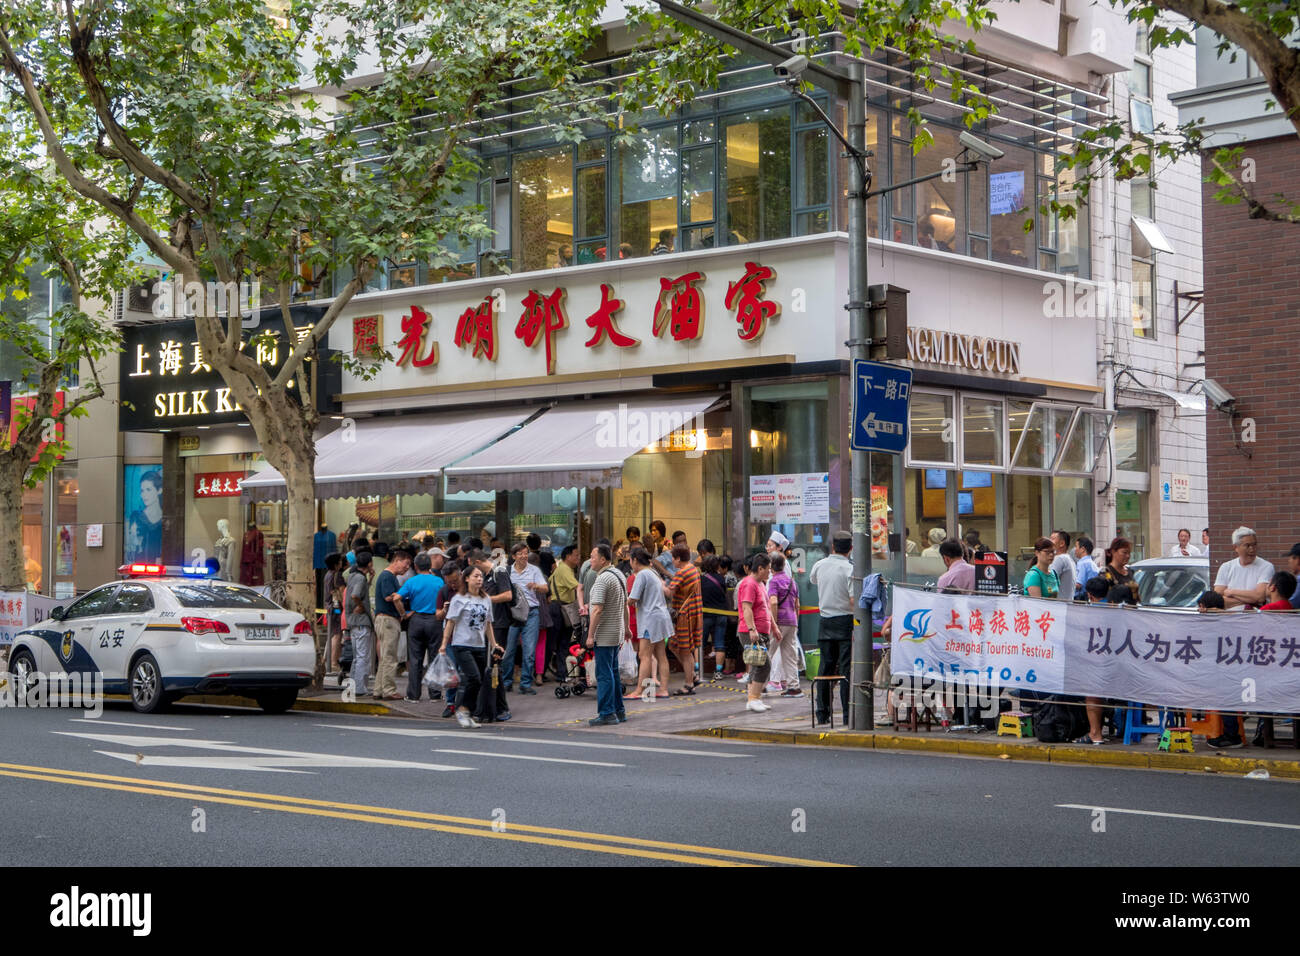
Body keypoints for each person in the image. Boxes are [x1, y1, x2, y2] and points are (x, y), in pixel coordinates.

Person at [439, 566, 498, 729]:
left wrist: (494, 644)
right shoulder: (459, 599)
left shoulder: (486, 599)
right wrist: (444, 644)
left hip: (479, 645)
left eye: (481, 576)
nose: (479, 579)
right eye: (475, 576)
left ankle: (467, 712)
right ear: (466, 579)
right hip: (461, 644)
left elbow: (488, 623)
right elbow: (450, 622)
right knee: (474, 678)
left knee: (478, 681)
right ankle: (462, 709)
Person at [808, 531, 854, 727]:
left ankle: (822, 713)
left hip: (825, 621)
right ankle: (846, 715)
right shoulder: (850, 569)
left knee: (825, 669)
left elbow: (813, 581)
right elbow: (853, 600)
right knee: (845, 671)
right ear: (851, 548)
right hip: (845, 622)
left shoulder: (819, 565)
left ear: (833, 546)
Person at [585, 544, 630, 726]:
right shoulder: (619, 575)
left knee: (604, 675)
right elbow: (626, 604)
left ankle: (607, 713)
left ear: (603, 560)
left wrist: (590, 635)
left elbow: (597, 610)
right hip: (616, 632)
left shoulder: (603, 579)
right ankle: (619, 711)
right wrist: (626, 628)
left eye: (593, 557)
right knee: (613, 673)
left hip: (604, 634)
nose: (590, 560)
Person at [395, 551, 444, 702]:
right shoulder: (439, 581)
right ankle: (435, 695)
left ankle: (413, 695)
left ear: (415, 566)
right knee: (434, 658)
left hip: (416, 621)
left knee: (415, 659)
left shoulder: (411, 581)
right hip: (434, 621)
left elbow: (396, 598)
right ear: (430, 566)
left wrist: (404, 614)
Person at [625, 547, 673, 699]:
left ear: (635, 560)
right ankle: (663, 689)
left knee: (644, 655)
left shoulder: (642, 574)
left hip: (650, 619)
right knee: (661, 655)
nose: (630, 564)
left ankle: (639, 691)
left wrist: (620, 601)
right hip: (661, 617)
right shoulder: (653, 572)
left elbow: (633, 599)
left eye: (630, 561)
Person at [500, 542, 548, 694]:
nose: (524, 556)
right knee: (509, 650)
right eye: (520, 553)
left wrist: (536, 586)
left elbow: (545, 588)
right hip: (513, 614)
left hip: (532, 613)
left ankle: (525, 683)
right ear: (513, 556)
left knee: (529, 650)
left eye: (525, 553)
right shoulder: (507, 572)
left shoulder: (534, 570)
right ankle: (506, 682)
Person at [738, 552, 777, 713]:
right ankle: (754, 698)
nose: (770, 572)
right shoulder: (749, 584)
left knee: (756, 665)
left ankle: (754, 699)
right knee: (764, 665)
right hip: (751, 632)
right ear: (760, 568)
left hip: (762, 631)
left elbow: (766, 609)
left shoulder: (761, 584)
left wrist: (774, 628)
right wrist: (752, 629)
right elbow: (746, 608)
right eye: (768, 569)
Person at [370, 547, 410, 700]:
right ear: (397, 560)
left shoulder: (389, 576)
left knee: (385, 656)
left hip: (383, 620)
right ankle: (389, 690)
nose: (407, 568)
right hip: (388, 620)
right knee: (390, 657)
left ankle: (378, 690)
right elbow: (390, 597)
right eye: (406, 564)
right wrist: (403, 612)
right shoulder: (388, 576)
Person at [664, 544, 704, 693]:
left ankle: (688, 684)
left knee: (685, 651)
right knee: (674, 645)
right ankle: (693, 676)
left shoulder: (682, 572)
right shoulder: (693, 569)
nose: (672, 562)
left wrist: (660, 583)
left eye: (673, 559)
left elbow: (669, 592)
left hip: (685, 615)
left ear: (678, 558)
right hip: (693, 613)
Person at [765, 553, 803, 697]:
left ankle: (759, 685)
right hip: (792, 621)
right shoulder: (792, 582)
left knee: (768, 653)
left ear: (771, 566)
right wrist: (796, 622)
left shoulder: (774, 581)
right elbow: (797, 604)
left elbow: (773, 601)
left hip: (779, 621)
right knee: (789, 655)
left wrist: (773, 623)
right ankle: (794, 687)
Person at [1213, 526, 1275, 610]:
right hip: (1229, 619)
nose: (1252, 549)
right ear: (1235, 547)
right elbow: (1218, 599)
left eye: (1254, 544)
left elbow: (1260, 597)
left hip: (1255, 619)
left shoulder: (1266, 567)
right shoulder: (1226, 567)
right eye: (1247, 545)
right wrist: (1250, 599)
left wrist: (1230, 592)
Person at [345, 551, 376, 697]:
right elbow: (356, 595)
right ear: (369, 563)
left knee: (358, 656)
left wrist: (370, 579)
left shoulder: (353, 576)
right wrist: (361, 606)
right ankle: (360, 688)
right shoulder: (360, 579)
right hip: (361, 622)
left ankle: (353, 685)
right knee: (363, 656)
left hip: (353, 622)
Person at [549, 545, 581, 679]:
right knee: (561, 642)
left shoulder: (560, 568)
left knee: (559, 642)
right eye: (576, 555)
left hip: (558, 607)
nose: (578, 558)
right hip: (561, 609)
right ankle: (560, 672)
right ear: (568, 557)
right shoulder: (565, 570)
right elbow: (577, 587)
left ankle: (560, 672)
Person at [700, 555, 730, 680]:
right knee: (719, 643)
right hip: (721, 615)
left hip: (705, 615)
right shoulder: (722, 579)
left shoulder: (701, 580)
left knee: (700, 643)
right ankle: (718, 671)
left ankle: (697, 669)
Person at [125, 469, 164, 563]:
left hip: (162, 572)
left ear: (159, 490)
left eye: (148, 490)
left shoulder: (166, 519)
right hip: (138, 572)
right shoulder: (135, 517)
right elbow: (130, 548)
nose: (144, 495)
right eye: (142, 491)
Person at [322, 552, 345, 675]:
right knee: (337, 634)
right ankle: (333, 662)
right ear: (336, 564)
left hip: (329, 606)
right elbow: (340, 592)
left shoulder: (327, 575)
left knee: (332, 634)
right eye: (340, 561)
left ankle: (327, 660)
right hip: (336, 607)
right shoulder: (337, 575)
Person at [1098, 537, 1137, 604]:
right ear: (1113, 552)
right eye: (1124, 552)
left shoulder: (1130, 571)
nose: (1128, 556)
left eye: (1129, 553)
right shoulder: (1106, 573)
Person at [1049, 530, 1076, 602]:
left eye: (1052, 539)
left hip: (1058, 605)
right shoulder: (1068, 558)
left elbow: (1049, 581)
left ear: (1062, 543)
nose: (1049, 541)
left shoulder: (1060, 558)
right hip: (1066, 604)